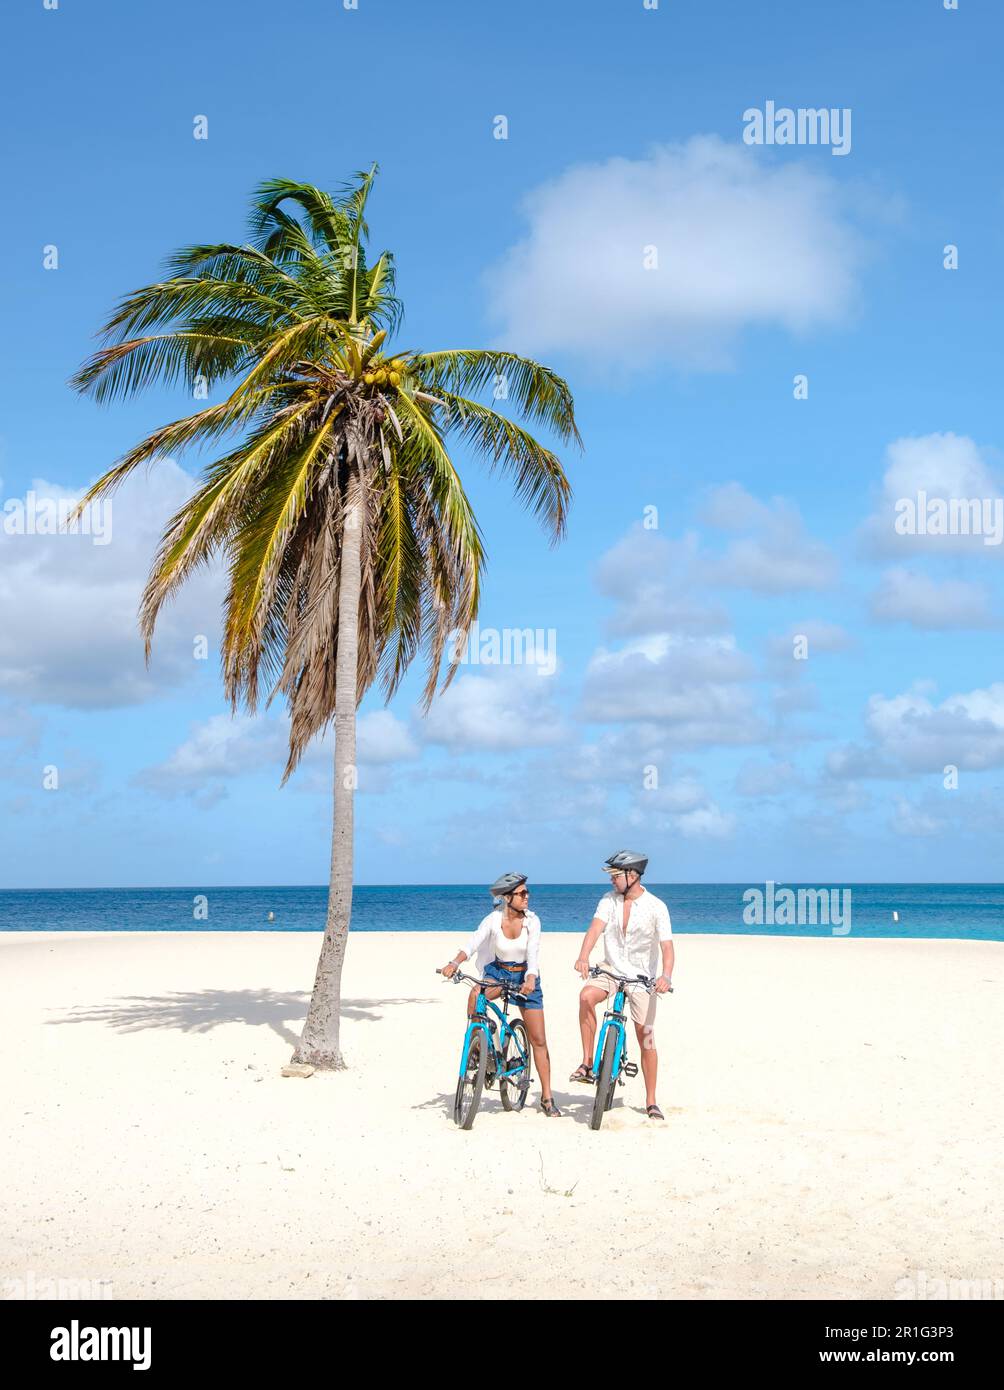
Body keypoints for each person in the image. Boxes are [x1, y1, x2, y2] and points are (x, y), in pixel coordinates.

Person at [441, 873, 561, 1117]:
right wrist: (454, 962)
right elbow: (472, 943)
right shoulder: (493, 920)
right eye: (521, 894)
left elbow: (533, 953)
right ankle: (477, 1052)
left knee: (538, 1040)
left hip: (525, 977)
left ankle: (547, 1097)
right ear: (507, 898)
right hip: (499, 973)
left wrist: (530, 977)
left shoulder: (532, 922)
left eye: (527, 893)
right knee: (476, 995)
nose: (527, 897)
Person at [571, 850, 674, 1120]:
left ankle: (651, 1101)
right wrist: (583, 956)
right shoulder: (608, 901)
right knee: (586, 997)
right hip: (611, 970)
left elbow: (667, 947)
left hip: (642, 979)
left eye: (616, 876)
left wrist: (666, 976)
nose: (612, 881)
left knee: (646, 1037)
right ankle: (587, 1062)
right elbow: (595, 929)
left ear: (633, 875)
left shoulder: (656, 907)